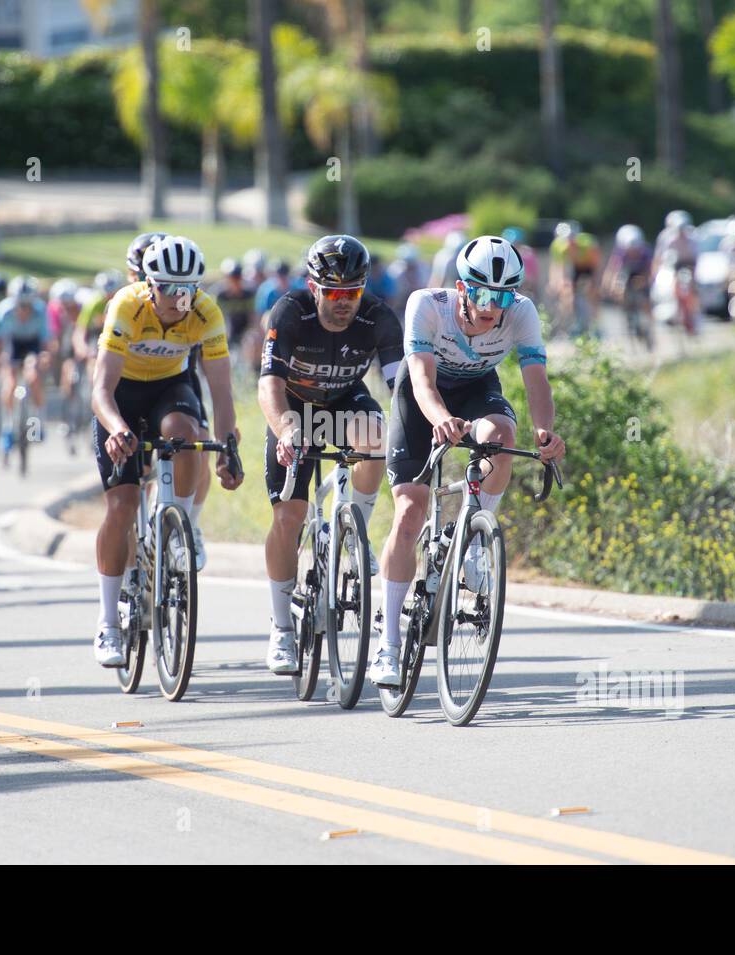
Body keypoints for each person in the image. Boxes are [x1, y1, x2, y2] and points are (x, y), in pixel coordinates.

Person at [368, 235, 566, 686]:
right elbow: (419, 377)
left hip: (477, 387)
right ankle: (389, 645)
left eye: (502, 295)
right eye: (481, 293)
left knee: (501, 435)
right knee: (410, 510)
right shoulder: (427, 304)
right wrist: (439, 419)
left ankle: (476, 540)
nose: (491, 306)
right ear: (462, 288)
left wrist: (546, 431)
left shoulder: (521, 312)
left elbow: (536, 379)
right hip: (422, 399)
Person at [90, 235, 242, 666]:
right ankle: (107, 623)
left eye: (188, 289)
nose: (179, 299)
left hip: (169, 389)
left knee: (186, 432)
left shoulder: (205, 312)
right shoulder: (126, 305)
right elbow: (101, 388)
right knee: (122, 504)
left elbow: (221, 389)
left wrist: (228, 447)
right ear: (148, 284)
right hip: (122, 394)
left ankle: (181, 524)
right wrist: (117, 429)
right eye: (169, 289)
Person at [258, 234, 404, 675]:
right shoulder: (290, 311)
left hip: (344, 400)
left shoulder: (378, 317)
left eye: (353, 292)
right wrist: (285, 429)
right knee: (289, 516)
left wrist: (416, 427)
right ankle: (282, 629)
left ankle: (355, 530)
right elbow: (269, 384)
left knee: (377, 432)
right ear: (314, 286)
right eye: (335, 292)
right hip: (296, 409)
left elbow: (401, 387)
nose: (344, 301)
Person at [0, 275, 51, 456]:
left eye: (28, 306)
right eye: (21, 305)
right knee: (9, 383)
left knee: (33, 377)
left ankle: (38, 422)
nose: (24, 310)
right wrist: (2, 361)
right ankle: (8, 427)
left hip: (32, 344)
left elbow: (45, 342)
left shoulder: (41, 312)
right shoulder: (4, 312)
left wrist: (44, 357)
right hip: (13, 345)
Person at [548, 220, 602, 338]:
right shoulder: (558, 246)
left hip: (588, 266)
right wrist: (557, 283)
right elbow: (557, 267)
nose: (570, 244)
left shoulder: (587, 243)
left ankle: (596, 325)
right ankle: (572, 323)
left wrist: (595, 283)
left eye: (572, 241)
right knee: (566, 292)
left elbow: (595, 265)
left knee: (593, 294)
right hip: (573, 268)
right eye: (567, 241)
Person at [387, 243, 428, 316]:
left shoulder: (423, 269)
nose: (409, 265)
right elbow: (392, 293)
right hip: (399, 304)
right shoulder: (395, 270)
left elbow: (423, 288)